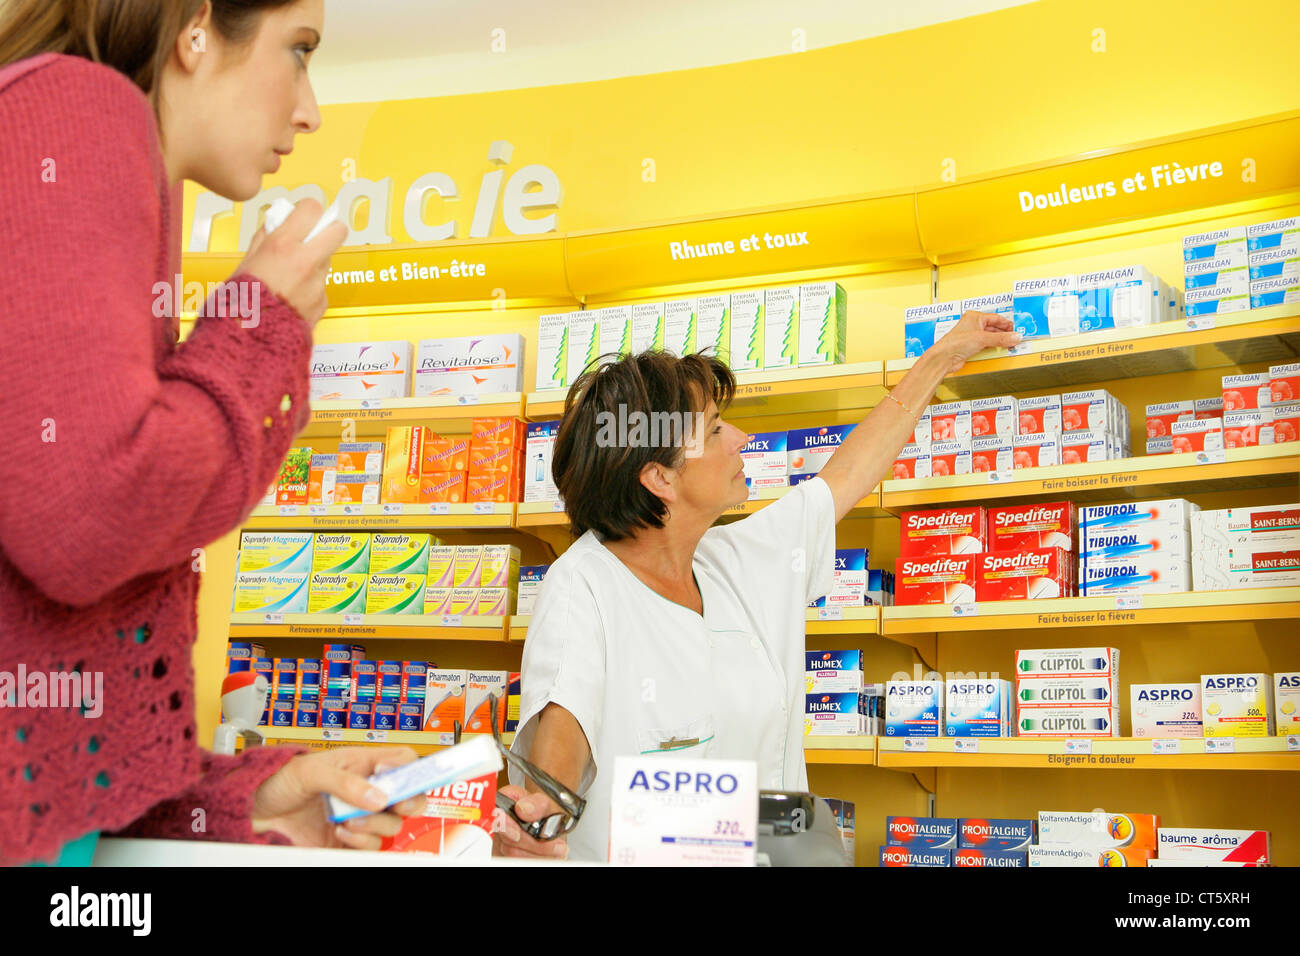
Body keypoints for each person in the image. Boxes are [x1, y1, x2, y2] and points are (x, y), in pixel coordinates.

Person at [0, 0, 427, 865]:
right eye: (299, 51)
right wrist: (260, 327)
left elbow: (47, 756)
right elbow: (88, 514)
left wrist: (256, 801)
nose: (309, 110)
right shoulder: (77, 105)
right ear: (196, 27)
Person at [494, 311, 1020, 861]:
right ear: (660, 478)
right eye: (717, 428)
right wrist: (544, 815)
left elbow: (846, 475)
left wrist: (939, 360)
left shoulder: (734, 560)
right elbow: (564, 724)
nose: (741, 438)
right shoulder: (583, 585)